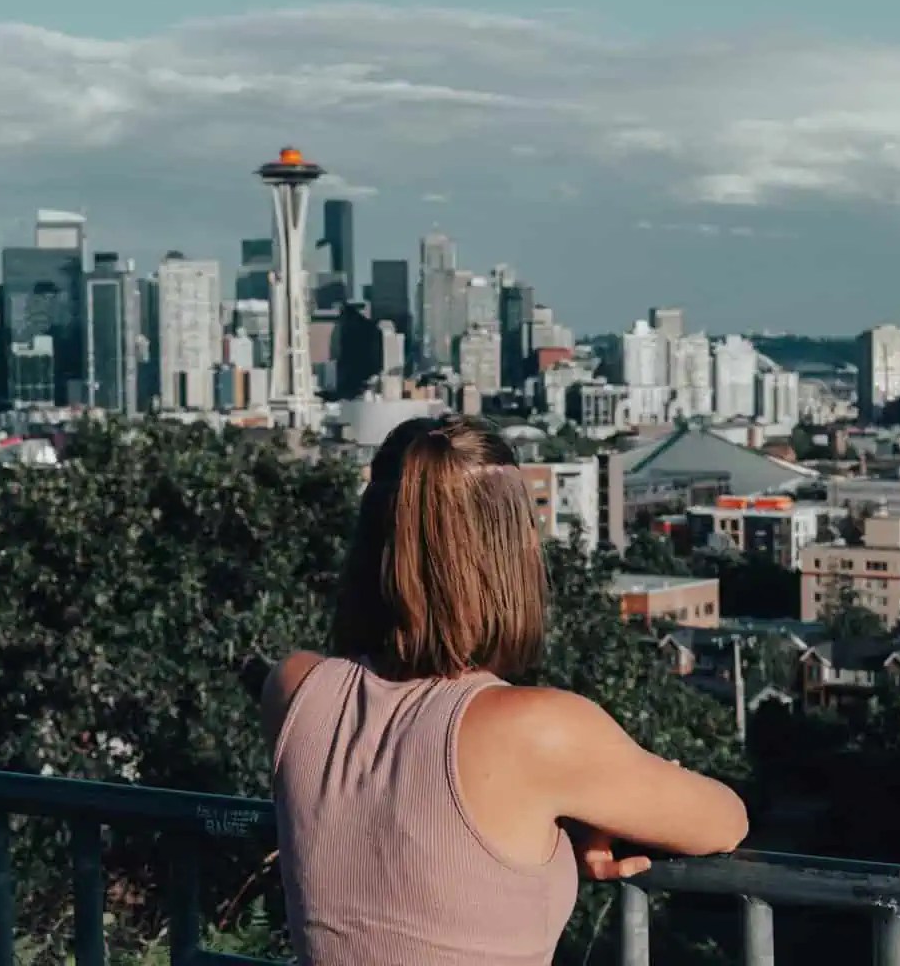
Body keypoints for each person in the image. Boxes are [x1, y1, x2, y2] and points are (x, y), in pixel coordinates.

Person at [263, 414, 748, 966]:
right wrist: (597, 806)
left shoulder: (294, 688)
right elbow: (727, 820)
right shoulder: (538, 729)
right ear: (508, 555)